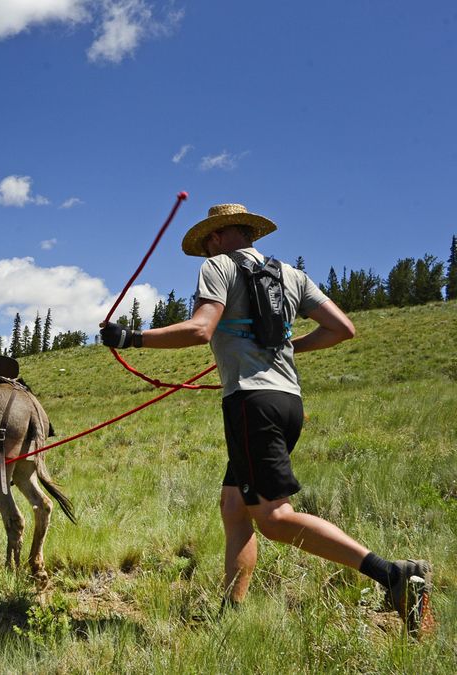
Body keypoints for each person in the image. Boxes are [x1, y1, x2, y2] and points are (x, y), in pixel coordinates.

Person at [99, 203, 434, 635]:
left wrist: (132, 338)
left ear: (217, 236)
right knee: (234, 505)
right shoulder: (291, 275)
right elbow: (342, 328)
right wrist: (289, 350)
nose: (206, 252)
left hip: (250, 404)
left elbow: (201, 329)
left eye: (207, 244)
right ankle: (231, 613)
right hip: (287, 402)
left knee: (273, 518)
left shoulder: (218, 266)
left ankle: (392, 574)